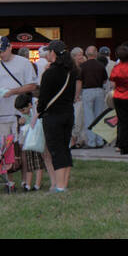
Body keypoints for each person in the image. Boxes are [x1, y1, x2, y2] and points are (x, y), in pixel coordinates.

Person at [37, 40, 76, 192]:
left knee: (56, 150)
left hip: (53, 116)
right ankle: (63, 183)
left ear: (52, 53)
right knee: (65, 149)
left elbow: (43, 97)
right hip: (68, 113)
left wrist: (40, 110)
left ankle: (59, 187)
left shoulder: (50, 73)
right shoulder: (71, 71)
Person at [0, 36, 38, 142]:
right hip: (1, 114)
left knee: (21, 146)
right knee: (3, 147)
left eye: (3, 50)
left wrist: (12, 92)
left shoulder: (24, 63)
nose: (1, 54)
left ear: (10, 47)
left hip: (21, 113)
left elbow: (32, 86)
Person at [76, 43, 108, 148]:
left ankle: (91, 142)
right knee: (99, 116)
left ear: (86, 54)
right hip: (99, 90)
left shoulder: (82, 66)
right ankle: (99, 141)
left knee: (89, 116)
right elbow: (104, 81)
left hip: (87, 91)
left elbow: (79, 82)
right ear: (96, 53)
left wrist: (76, 95)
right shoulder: (101, 65)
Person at [17, 98, 45, 192]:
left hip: (36, 141)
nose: (22, 112)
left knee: (38, 164)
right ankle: (28, 185)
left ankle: (37, 184)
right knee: (29, 165)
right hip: (28, 142)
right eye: (20, 111)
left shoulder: (35, 112)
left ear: (29, 105)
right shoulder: (24, 115)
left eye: (23, 110)